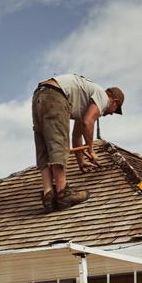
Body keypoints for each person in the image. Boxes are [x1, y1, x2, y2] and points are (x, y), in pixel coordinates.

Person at [32, 74, 124, 213]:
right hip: (55, 95)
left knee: (44, 145)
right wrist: (92, 150)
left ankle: (48, 195)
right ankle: (63, 192)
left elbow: (76, 136)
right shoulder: (102, 97)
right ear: (114, 102)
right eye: (115, 110)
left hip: (39, 95)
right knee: (59, 142)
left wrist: (81, 161)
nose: (111, 114)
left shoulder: (85, 102)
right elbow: (88, 122)